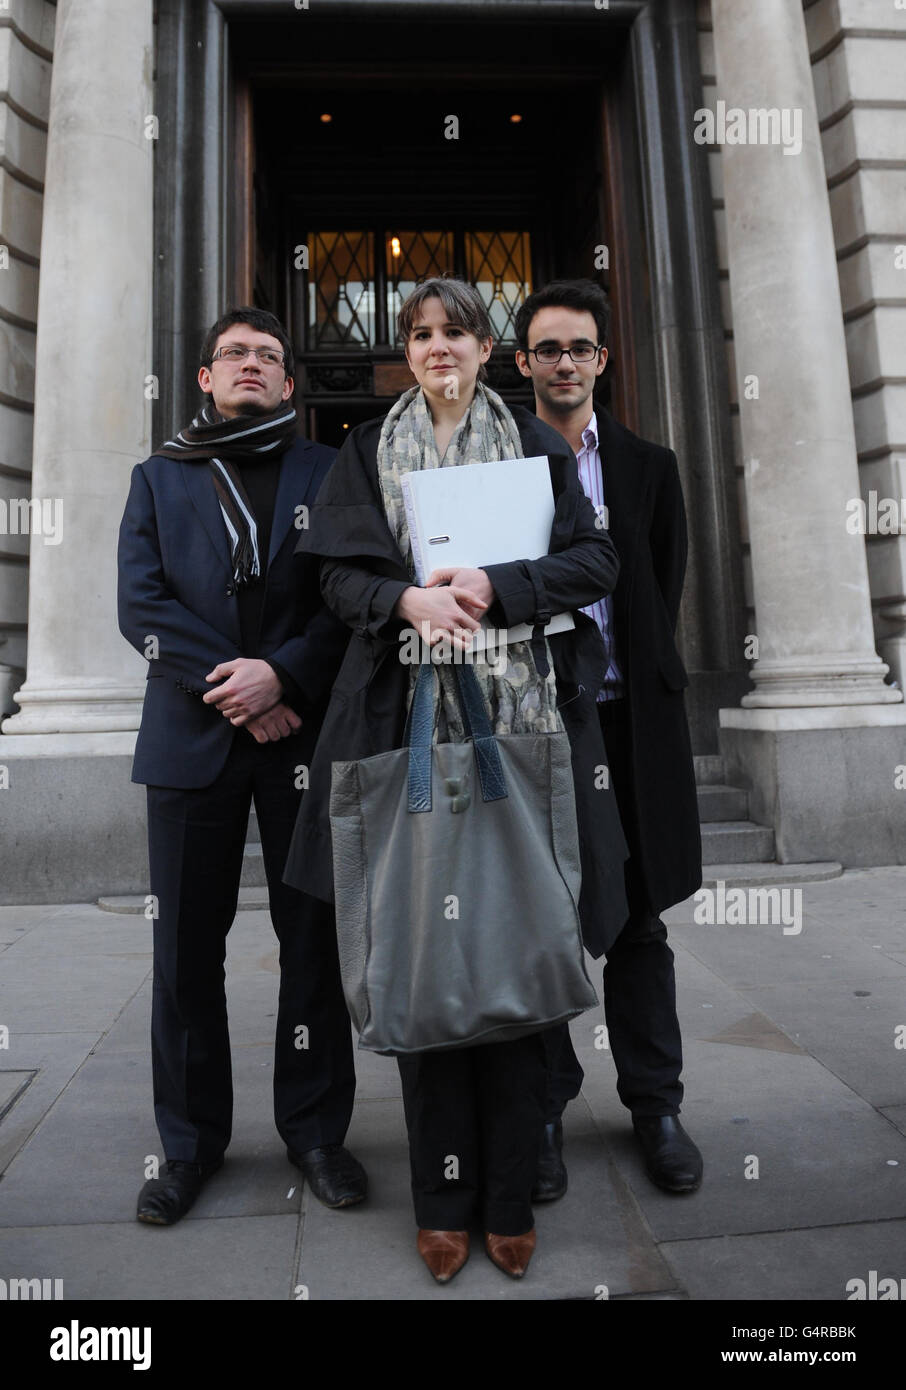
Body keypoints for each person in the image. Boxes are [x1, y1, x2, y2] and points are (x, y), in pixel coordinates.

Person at [284, 277, 629, 1283]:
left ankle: (510, 1195)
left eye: (457, 332)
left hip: (523, 732)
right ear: (407, 351)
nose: (439, 346)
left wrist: (496, 587)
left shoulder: (536, 447)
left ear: (486, 348)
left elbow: (597, 562)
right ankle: (441, 1202)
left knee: (517, 951)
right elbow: (334, 576)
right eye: (421, 333)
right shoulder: (364, 450)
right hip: (401, 734)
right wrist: (406, 601)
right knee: (426, 957)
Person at [117, 307, 366, 1225]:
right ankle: (189, 1147)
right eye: (234, 354)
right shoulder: (159, 477)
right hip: (192, 741)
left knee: (313, 945)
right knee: (185, 953)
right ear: (206, 378)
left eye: (267, 355)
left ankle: (317, 1134)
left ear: (289, 383)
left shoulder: (328, 471)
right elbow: (141, 606)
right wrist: (243, 688)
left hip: (304, 738)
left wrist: (283, 676)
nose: (250, 364)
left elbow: (347, 596)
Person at [514, 279, 703, 1198]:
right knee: (542, 919)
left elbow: (661, 585)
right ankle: (545, 1112)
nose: (565, 363)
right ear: (524, 362)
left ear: (603, 360)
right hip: (536, 725)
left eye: (580, 347)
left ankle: (656, 1107)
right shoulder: (499, 460)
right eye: (548, 348)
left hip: (629, 724)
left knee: (639, 918)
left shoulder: (650, 465)